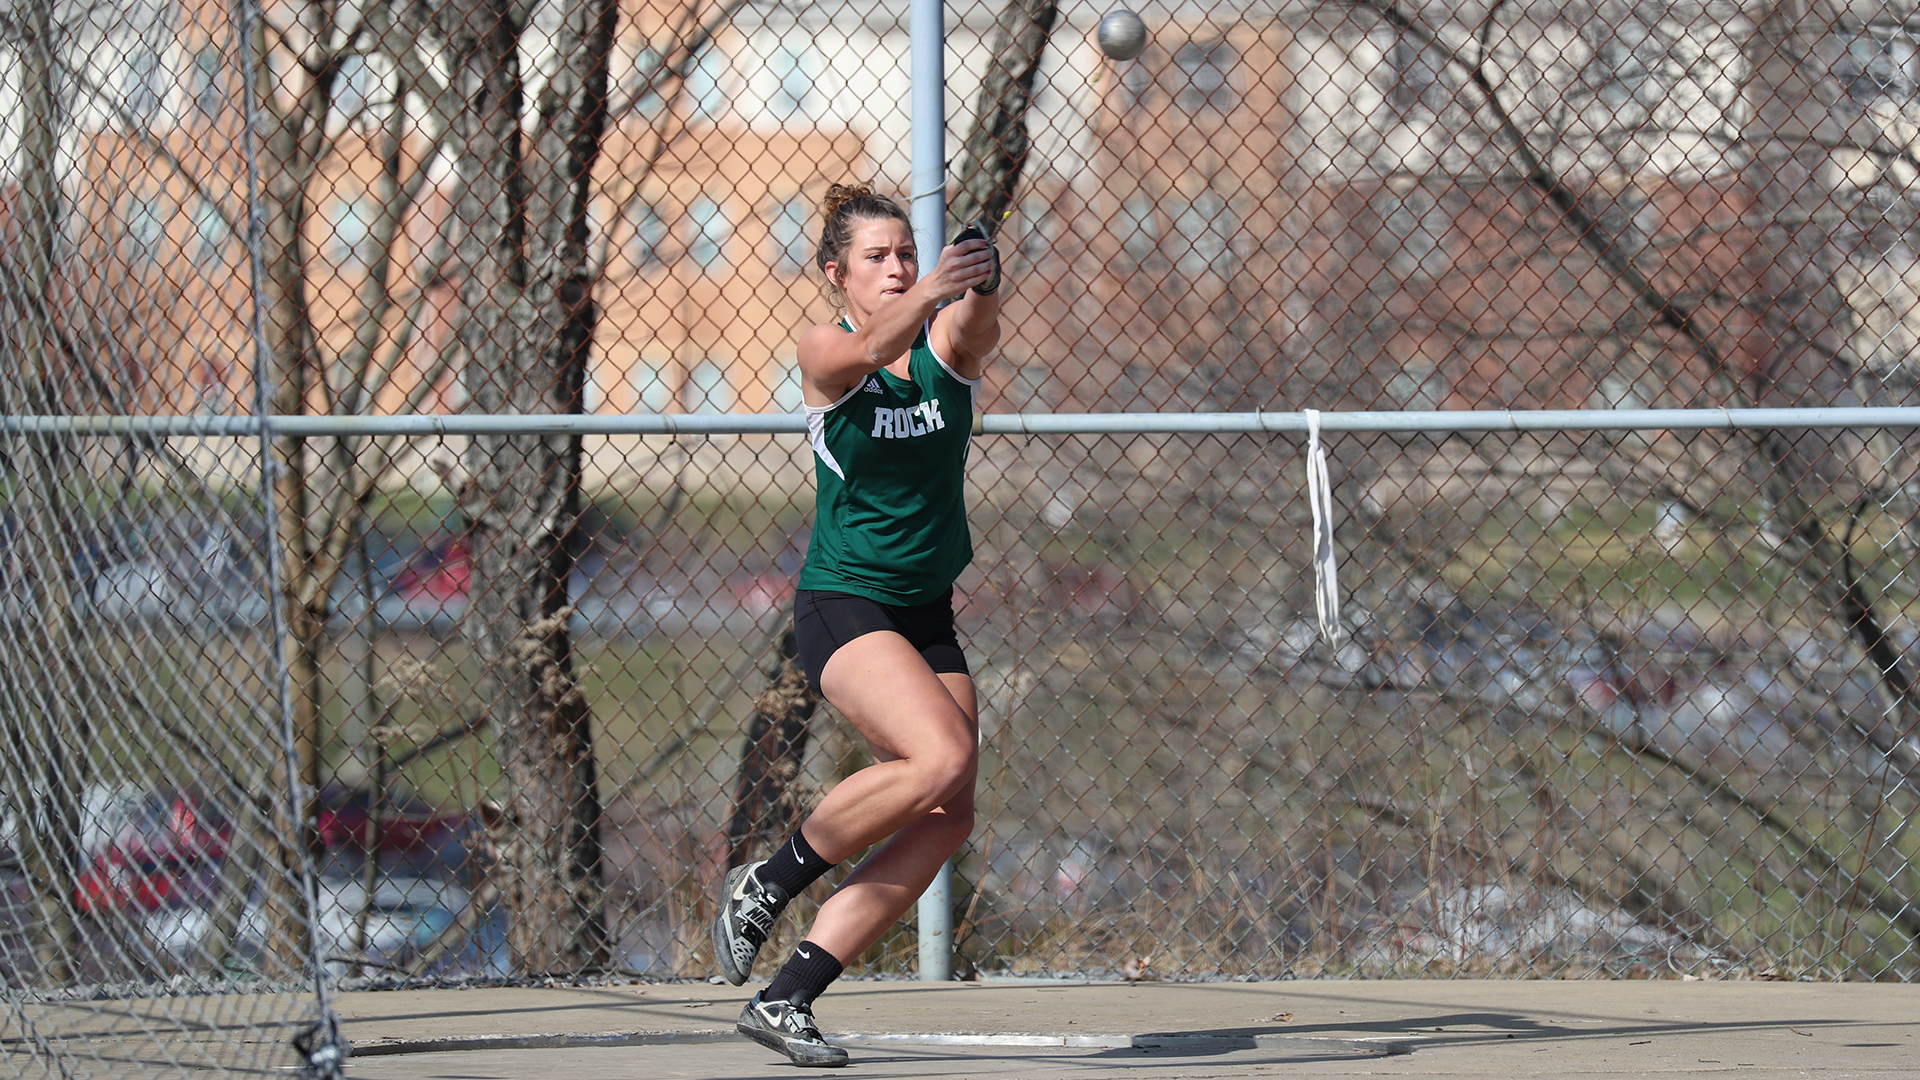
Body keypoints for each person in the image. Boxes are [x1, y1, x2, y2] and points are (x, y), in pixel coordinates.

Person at [712, 181, 1002, 1068]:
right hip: (844, 603)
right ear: (836, 273)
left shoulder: (941, 347)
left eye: (906, 254)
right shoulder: (827, 348)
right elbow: (874, 343)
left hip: (922, 609)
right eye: (876, 257)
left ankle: (789, 994)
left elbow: (971, 333)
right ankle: (771, 878)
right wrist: (927, 291)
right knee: (940, 756)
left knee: (950, 809)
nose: (897, 268)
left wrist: (980, 280)